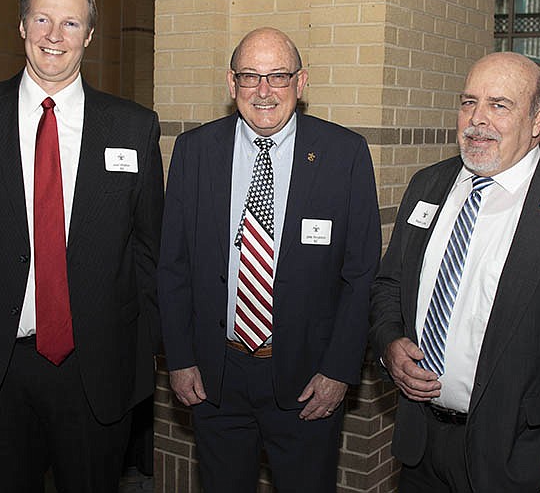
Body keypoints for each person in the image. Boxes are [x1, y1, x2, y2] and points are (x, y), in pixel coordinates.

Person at [0, 0, 163, 492]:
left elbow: (148, 247)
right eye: (42, 19)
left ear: (89, 35)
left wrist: (143, 342)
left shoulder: (133, 127)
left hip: (96, 365)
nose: (54, 35)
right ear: (22, 25)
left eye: (71, 23)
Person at [370, 51, 540, 492]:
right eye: (468, 103)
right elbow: (390, 285)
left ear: (538, 120)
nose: (477, 120)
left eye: (499, 105)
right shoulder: (427, 185)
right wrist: (389, 344)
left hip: (517, 458)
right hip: (419, 443)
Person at [158, 27, 381, 492]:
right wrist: (179, 358)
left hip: (307, 379)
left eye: (277, 76)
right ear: (231, 83)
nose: (263, 91)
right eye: (249, 76)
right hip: (215, 376)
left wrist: (340, 370)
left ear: (301, 84)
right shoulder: (195, 151)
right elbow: (172, 266)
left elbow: (361, 276)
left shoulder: (345, 154)